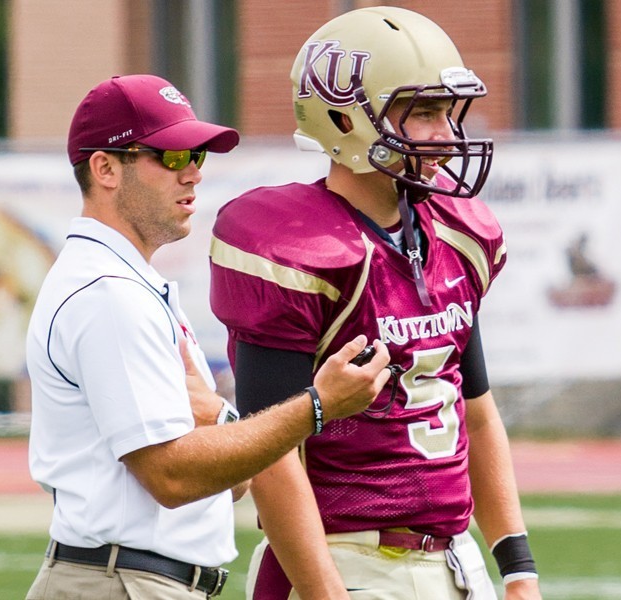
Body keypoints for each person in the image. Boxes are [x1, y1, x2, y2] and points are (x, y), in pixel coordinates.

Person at [209, 7, 541, 600]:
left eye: (446, 111)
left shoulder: (456, 236)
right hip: (345, 560)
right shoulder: (293, 247)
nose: (445, 133)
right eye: (422, 112)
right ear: (345, 117)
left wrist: (516, 569)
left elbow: (477, 411)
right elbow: (271, 454)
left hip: (455, 562)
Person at [25, 73, 391, 600]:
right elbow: (173, 478)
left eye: (198, 155)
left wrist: (221, 420)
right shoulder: (108, 293)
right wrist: (318, 405)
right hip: (120, 581)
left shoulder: (126, 283)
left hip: (134, 578)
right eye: (172, 157)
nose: (193, 174)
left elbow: (233, 480)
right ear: (105, 168)